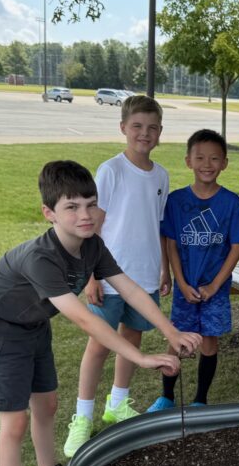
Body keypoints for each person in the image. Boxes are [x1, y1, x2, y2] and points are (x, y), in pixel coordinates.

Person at [0, 160, 201, 466]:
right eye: (71, 207)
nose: (85, 214)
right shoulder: (41, 256)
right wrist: (142, 357)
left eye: (90, 204)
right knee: (13, 424)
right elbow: (85, 320)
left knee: (47, 405)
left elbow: (131, 290)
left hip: (34, 326)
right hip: (3, 331)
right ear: (49, 213)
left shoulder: (92, 246)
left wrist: (170, 331)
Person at [67, 95, 172, 446]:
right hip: (110, 277)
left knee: (132, 338)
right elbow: (94, 224)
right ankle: (82, 417)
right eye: (138, 126)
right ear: (123, 128)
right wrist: (91, 276)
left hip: (145, 276)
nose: (145, 133)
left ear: (160, 132)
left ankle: (117, 404)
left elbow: (157, 225)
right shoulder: (111, 170)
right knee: (99, 345)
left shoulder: (161, 176)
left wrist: (164, 269)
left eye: (153, 127)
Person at [146, 129, 239, 412]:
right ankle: (166, 396)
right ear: (188, 161)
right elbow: (172, 244)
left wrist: (215, 286)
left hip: (214, 290)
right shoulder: (177, 202)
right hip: (185, 288)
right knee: (176, 339)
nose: (207, 164)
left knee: (209, 341)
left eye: (215, 158)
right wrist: (177, 279)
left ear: (225, 163)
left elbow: (236, 247)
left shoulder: (231, 204)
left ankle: (200, 399)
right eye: (200, 157)